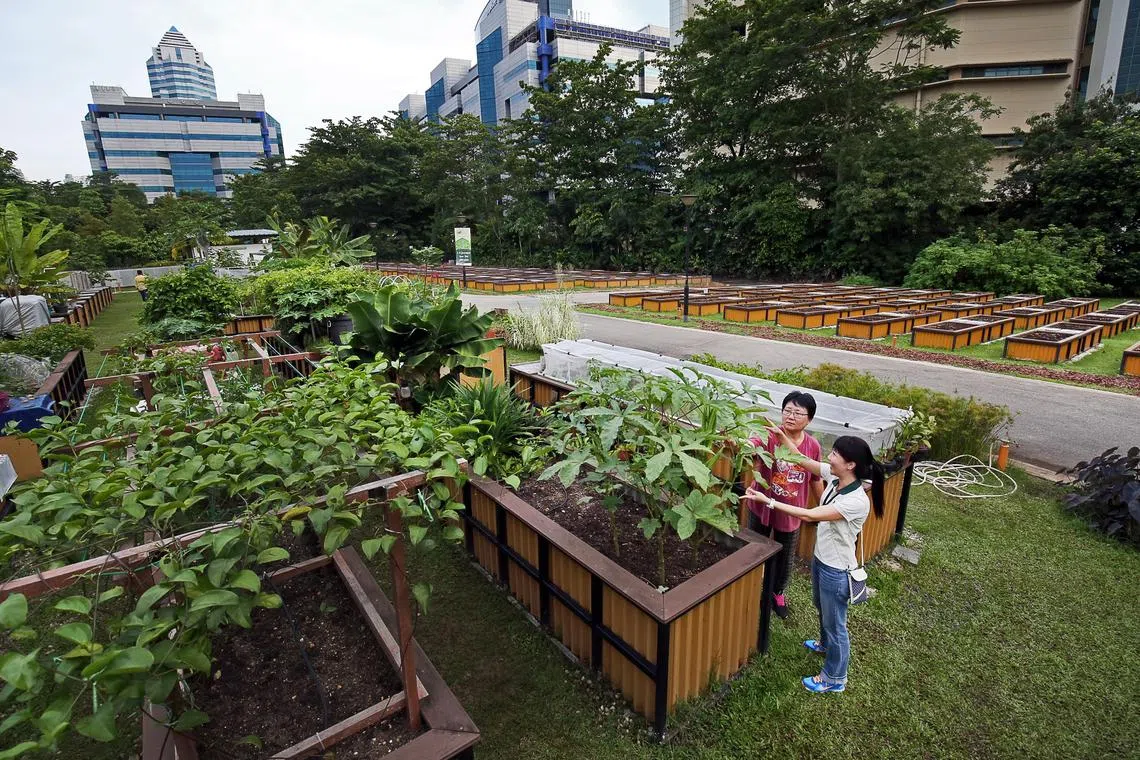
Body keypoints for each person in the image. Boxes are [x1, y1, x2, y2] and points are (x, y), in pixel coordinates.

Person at [745, 433, 884, 694]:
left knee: (836, 625)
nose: (829, 457)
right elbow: (800, 459)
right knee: (822, 607)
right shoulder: (837, 477)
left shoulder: (855, 501)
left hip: (837, 570)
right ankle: (823, 644)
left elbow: (810, 514)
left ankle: (834, 678)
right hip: (822, 560)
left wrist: (770, 501)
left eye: (835, 455)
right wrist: (782, 435)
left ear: (850, 464)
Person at [747, 391, 824, 620]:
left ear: (809, 419)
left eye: (798, 413)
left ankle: (776, 593)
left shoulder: (812, 446)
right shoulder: (768, 435)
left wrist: (822, 507)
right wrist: (741, 442)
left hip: (790, 512)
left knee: (785, 557)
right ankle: (750, 589)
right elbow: (752, 444)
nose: (790, 416)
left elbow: (816, 478)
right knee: (752, 549)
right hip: (760, 504)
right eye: (787, 410)